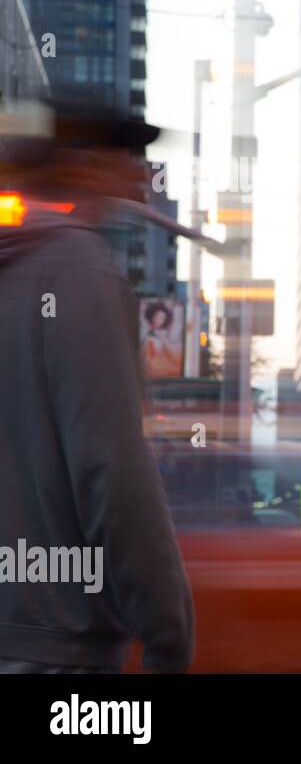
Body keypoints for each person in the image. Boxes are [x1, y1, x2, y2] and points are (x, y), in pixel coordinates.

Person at [0, 103, 195, 673]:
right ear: (83, 168)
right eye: (129, 157)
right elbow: (110, 468)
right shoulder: (78, 270)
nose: (141, 175)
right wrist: (168, 630)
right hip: (59, 650)